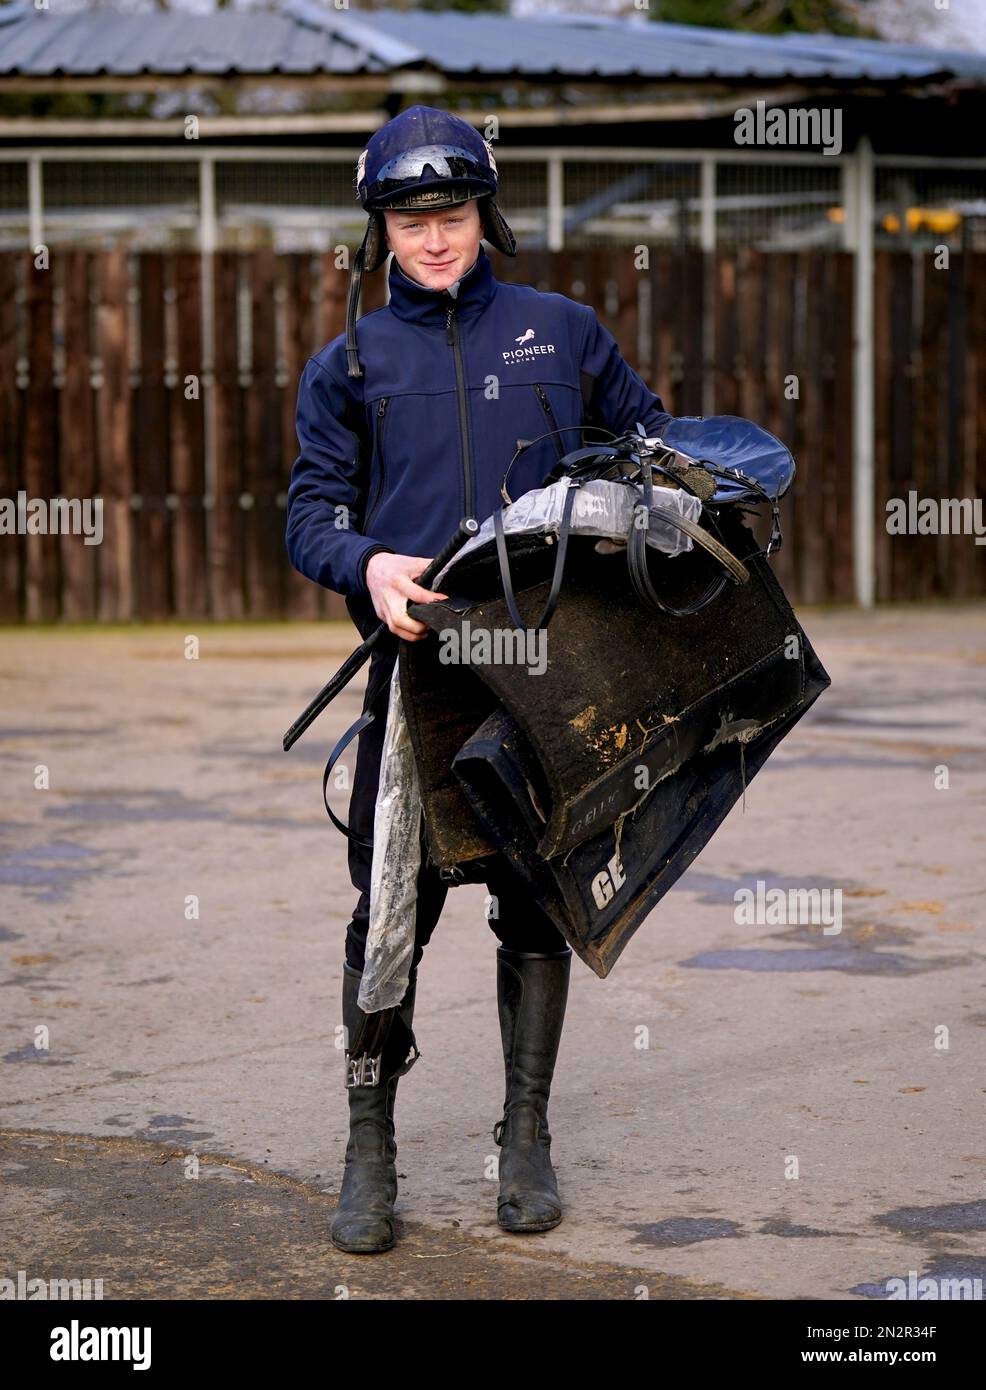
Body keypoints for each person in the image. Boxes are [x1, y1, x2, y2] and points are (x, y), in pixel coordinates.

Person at [285, 106, 672, 1255]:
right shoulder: (348, 361)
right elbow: (308, 514)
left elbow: (650, 450)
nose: (434, 240)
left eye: (450, 216)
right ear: (380, 232)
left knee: (537, 897)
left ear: (484, 216)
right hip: (416, 680)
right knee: (389, 914)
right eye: (410, 221)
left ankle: (526, 1136)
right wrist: (363, 560)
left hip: (547, 680)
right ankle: (370, 1150)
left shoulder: (562, 332)